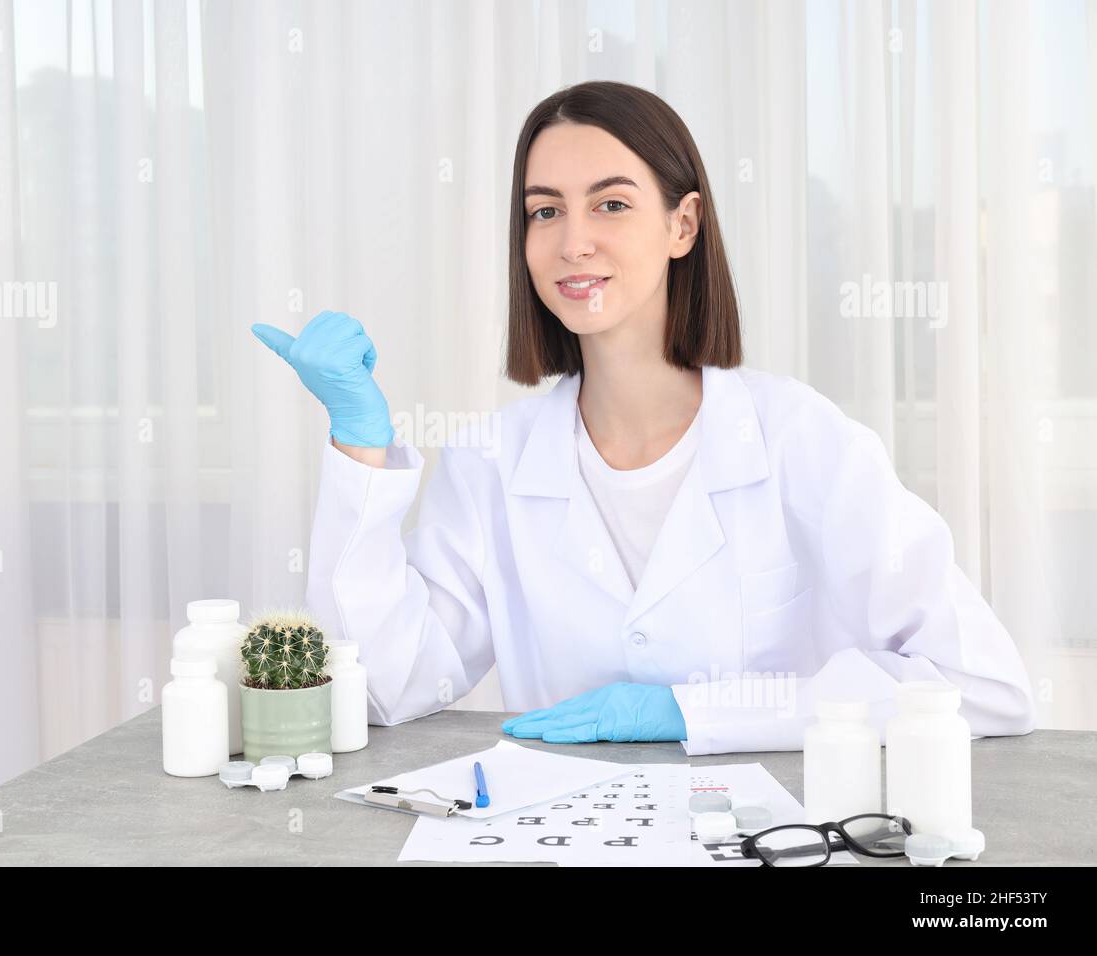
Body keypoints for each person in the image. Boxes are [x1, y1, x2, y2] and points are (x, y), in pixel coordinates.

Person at [251, 80, 1035, 754]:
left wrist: (697, 713)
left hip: (763, 837)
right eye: (545, 211)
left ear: (682, 225)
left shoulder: (801, 438)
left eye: (612, 204)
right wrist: (359, 445)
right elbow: (384, 687)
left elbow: (984, 684)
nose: (573, 242)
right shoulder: (490, 461)